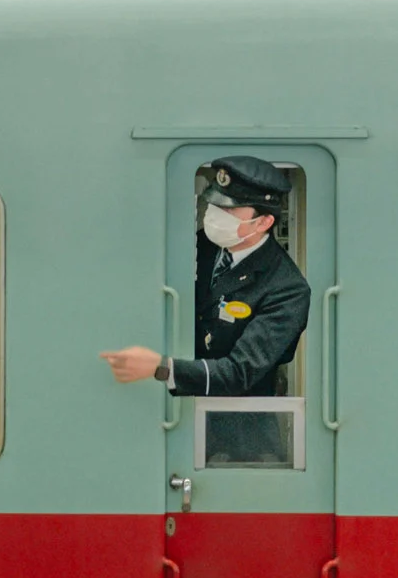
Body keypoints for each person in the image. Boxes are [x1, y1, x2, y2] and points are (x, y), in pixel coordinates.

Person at [100, 156, 312, 465]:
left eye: (228, 210)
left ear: (264, 222)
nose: (215, 216)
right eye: (214, 206)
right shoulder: (204, 246)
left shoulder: (286, 289)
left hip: (243, 436)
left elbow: (240, 372)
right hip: (176, 414)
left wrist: (161, 368)